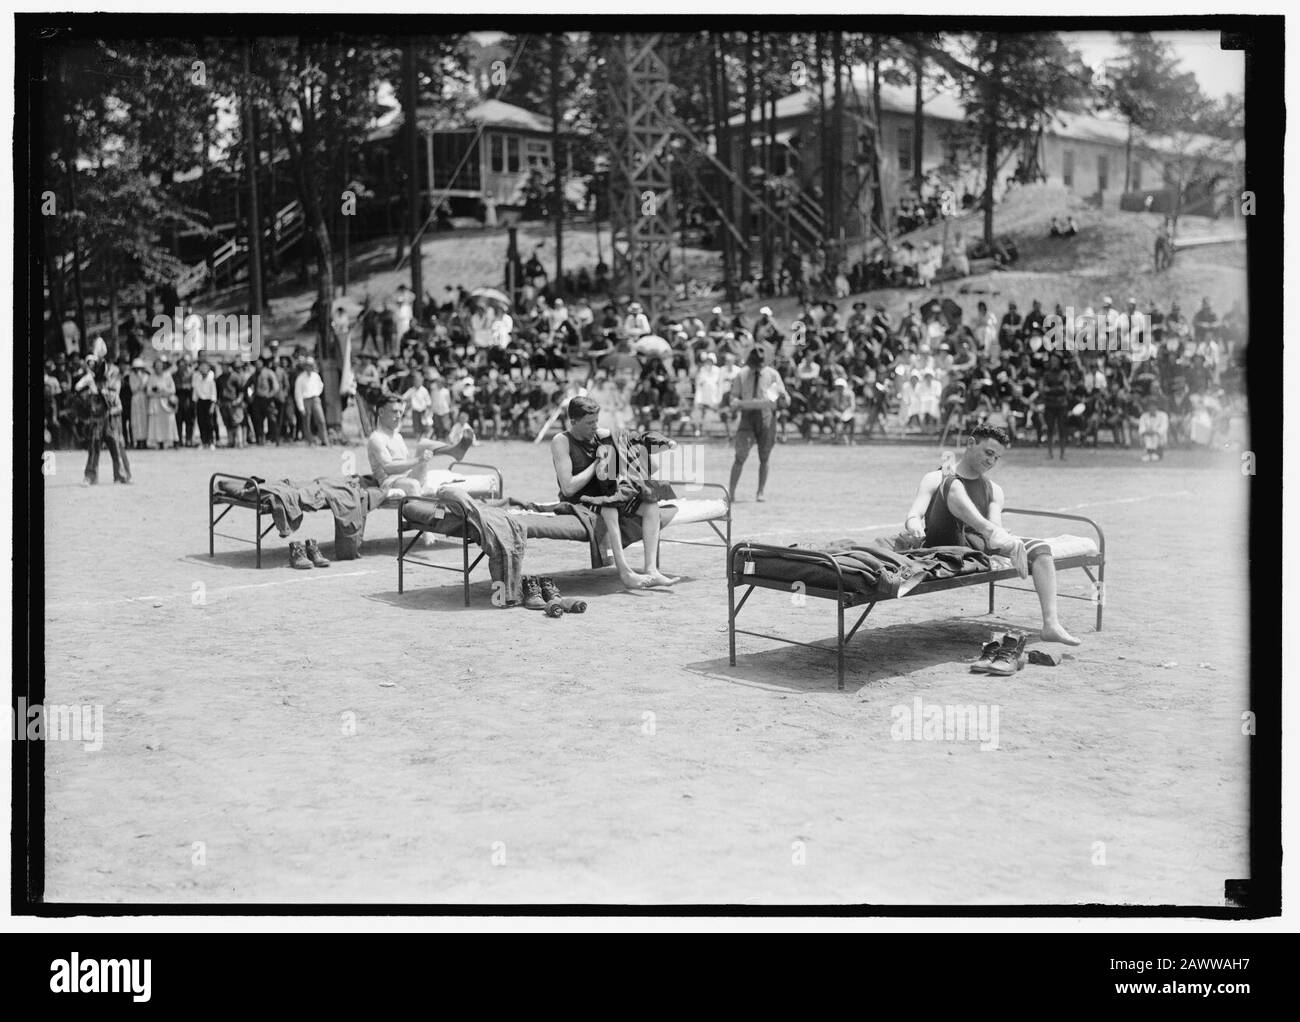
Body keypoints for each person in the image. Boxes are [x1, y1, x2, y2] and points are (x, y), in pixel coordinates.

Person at [902, 424, 1080, 645]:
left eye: (996, 458)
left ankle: (1051, 624)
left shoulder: (994, 489)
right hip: (943, 542)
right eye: (988, 453)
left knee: (1041, 549)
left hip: (976, 546)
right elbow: (914, 513)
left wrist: (1006, 541)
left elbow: (995, 526)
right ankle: (994, 534)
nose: (991, 461)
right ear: (970, 443)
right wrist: (914, 524)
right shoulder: (935, 477)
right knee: (950, 482)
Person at [551, 395, 678, 589]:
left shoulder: (601, 435)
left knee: (650, 503)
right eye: (589, 423)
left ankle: (651, 570)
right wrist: (597, 463)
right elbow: (568, 488)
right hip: (578, 499)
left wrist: (658, 445)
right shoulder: (561, 441)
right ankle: (625, 572)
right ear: (573, 422)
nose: (594, 427)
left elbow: (640, 451)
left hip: (605, 493)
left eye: (596, 421)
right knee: (609, 508)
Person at [366, 394, 483, 497]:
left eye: (400, 412)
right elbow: (389, 467)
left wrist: (419, 460)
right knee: (413, 484)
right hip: (391, 481)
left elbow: (406, 461)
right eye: (394, 411)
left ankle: (454, 450)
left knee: (423, 443)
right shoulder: (376, 438)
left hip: (407, 475)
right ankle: (421, 518)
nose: (398, 416)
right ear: (381, 412)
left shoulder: (397, 436)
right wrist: (418, 460)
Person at [727, 346, 790, 503]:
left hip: (766, 417)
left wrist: (782, 397)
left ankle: (760, 492)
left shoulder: (773, 375)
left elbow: (786, 400)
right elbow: (733, 398)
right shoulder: (741, 374)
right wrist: (736, 404)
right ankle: (731, 492)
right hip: (747, 417)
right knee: (740, 456)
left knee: (765, 456)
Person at [145, 357, 179, 450]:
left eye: (160, 366)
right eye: (156, 366)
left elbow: (173, 389)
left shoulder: (167, 376)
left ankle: (173, 441)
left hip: (166, 403)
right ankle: (159, 442)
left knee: (169, 422)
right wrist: (157, 393)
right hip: (156, 403)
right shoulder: (151, 377)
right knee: (157, 423)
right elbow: (148, 392)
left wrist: (164, 392)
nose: (158, 368)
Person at [295, 355, 328, 447]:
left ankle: (324, 439)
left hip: (315, 399)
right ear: (305, 366)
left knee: (321, 420)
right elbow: (298, 393)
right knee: (307, 421)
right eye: (307, 365)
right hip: (306, 400)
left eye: (310, 365)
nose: (309, 367)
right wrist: (301, 407)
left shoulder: (315, 376)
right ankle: (310, 441)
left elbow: (320, 385)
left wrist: (317, 393)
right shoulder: (300, 378)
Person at [192, 359, 218, 449]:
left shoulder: (211, 380)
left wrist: (212, 406)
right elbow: (195, 393)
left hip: (209, 402)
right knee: (201, 422)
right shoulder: (197, 379)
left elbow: (214, 394)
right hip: (200, 403)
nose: (203, 370)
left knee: (209, 423)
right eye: (201, 368)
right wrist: (195, 404)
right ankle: (203, 442)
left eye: (205, 368)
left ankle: (211, 442)